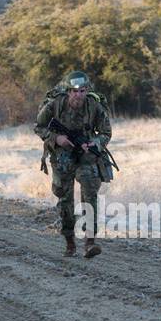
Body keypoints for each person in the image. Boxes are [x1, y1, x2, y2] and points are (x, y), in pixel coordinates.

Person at [34, 71, 112, 258]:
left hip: (85, 155)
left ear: (87, 91)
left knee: (90, 195)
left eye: (82, 90)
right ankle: (70, 243)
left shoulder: (94, 106)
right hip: (62, 157)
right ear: (68, 91)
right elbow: (39, 126)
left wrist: (96, 143)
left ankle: (90, 242)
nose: (78, 94)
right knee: (65, 200)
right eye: (74, 91)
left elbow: (106, 132)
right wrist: (56, 138)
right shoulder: (56, 105)